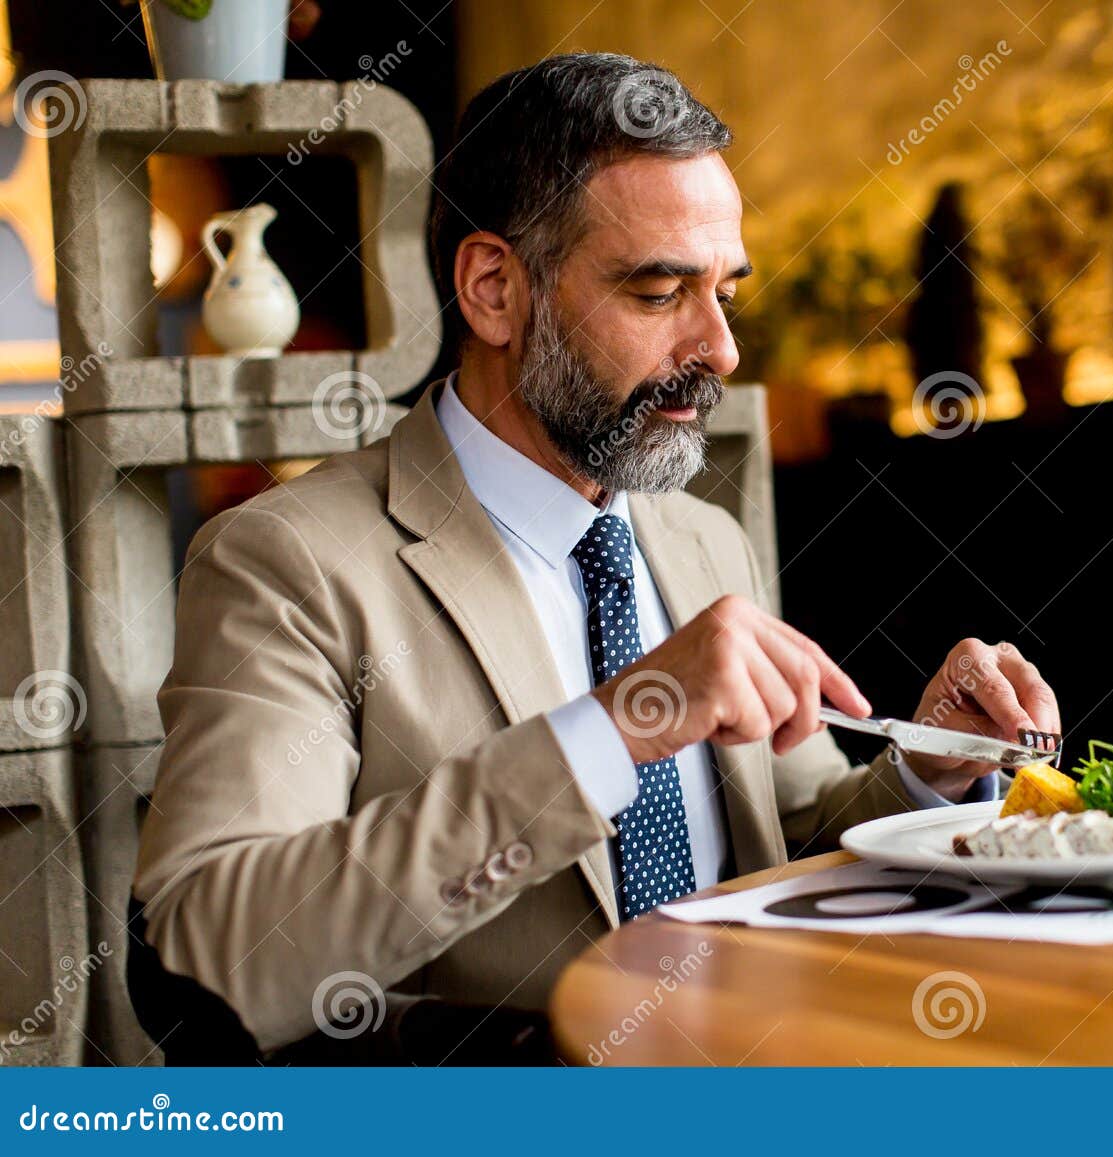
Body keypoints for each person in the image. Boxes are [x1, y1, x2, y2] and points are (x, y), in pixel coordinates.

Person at [132, 52, 1059, 1058]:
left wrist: (926, 766)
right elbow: (217, 948)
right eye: (661, 292)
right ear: (494, 289)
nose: (721, 349)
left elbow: (788, 832)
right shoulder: (287, 559)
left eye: (725, 294)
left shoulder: (701, 534)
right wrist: (615, 727)